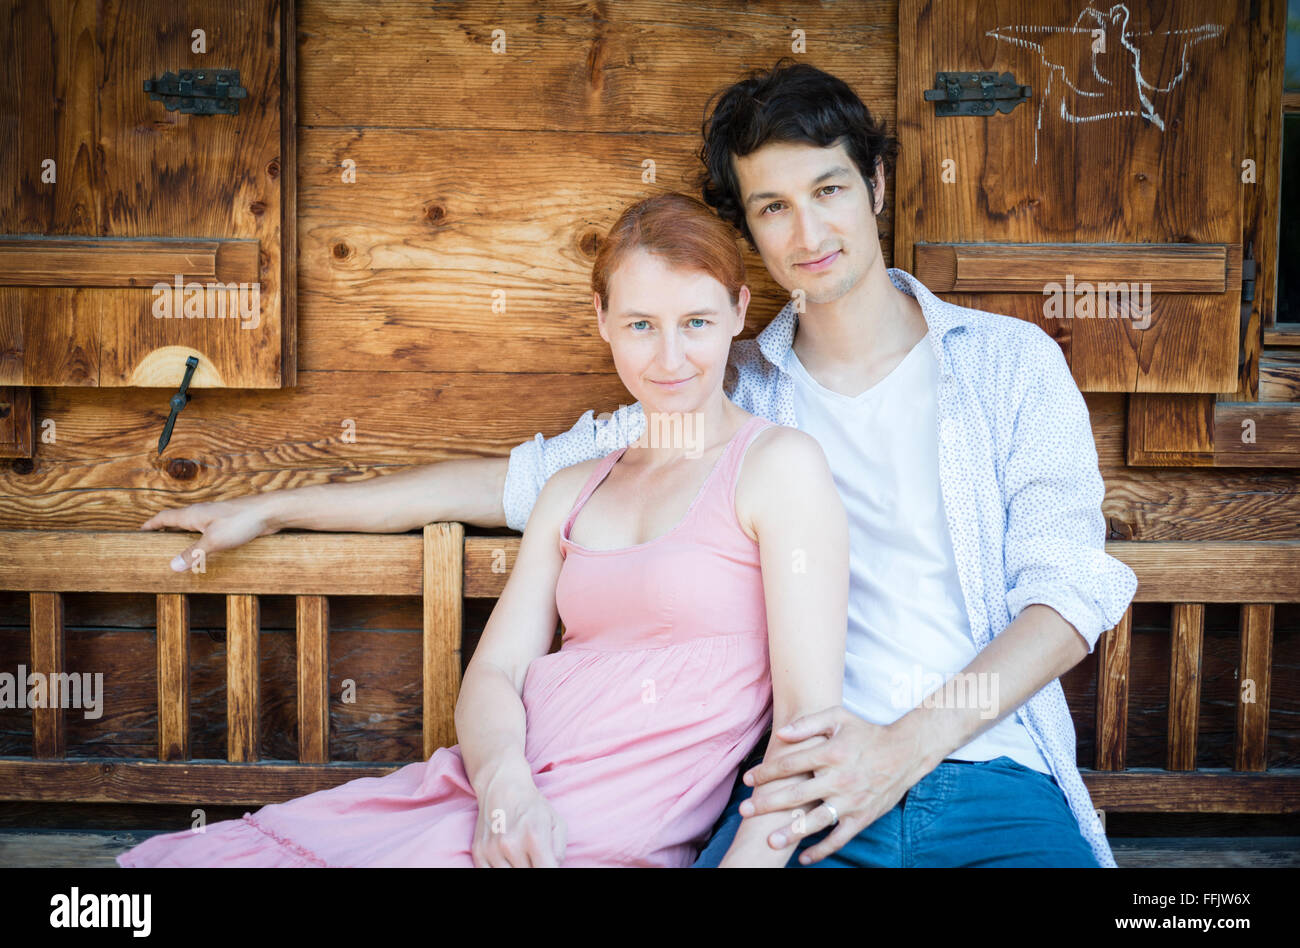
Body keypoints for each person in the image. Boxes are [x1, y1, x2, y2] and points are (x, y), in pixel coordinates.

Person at [138, 58, 1137, 868]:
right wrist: (274, 508)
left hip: (990, 770)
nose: (809, 230)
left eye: (828, 189)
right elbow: (512, 483)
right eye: (771, 208)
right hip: (792, 788)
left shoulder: (1005, 365)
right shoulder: (720, 381)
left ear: (872, 183)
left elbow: (1065, 595)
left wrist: (904, 747)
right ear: (746, 237)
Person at [117, 192, 849, 868]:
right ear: (601, 320)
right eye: (639, 325)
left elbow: (807, 731)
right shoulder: (574, 486)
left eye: (695, 322)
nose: (668, 357)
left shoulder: (779, 468)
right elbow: (495, 673)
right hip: (493, 793)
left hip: (604, 832)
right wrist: (503, 787)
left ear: (738, 311)